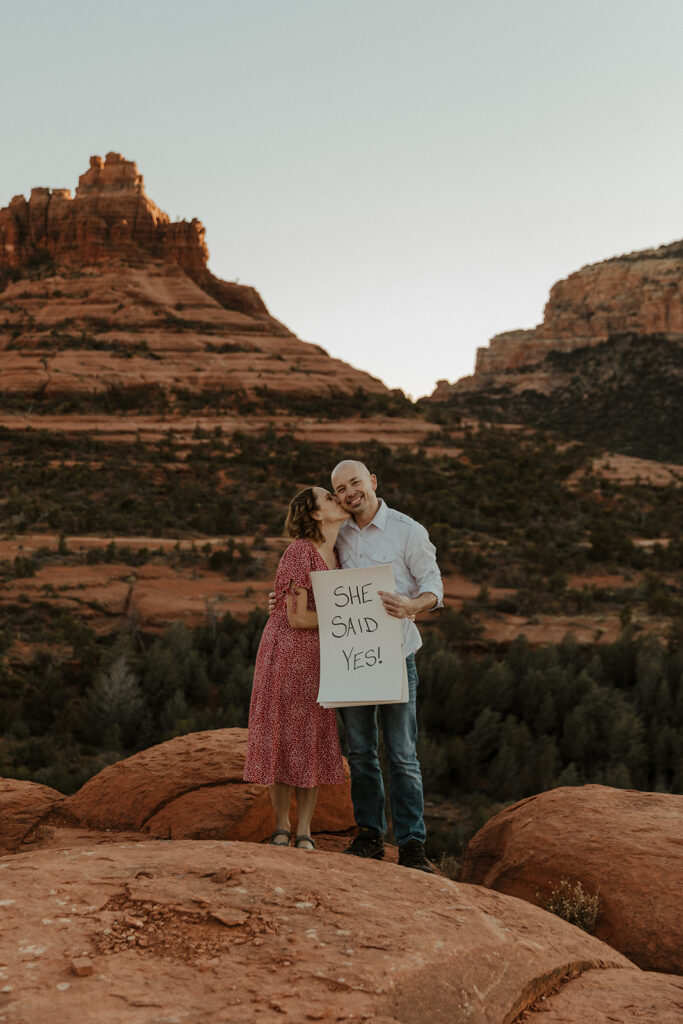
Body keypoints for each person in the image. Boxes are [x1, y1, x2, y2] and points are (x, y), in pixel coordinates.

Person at [330, 459, 443, 873]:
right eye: (340, 489)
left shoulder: (407, 531)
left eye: (355, 483)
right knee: (360, 753)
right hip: (351, 660)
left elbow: (434, 585)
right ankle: (370, 837)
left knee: (402, 755)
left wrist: (413, 604)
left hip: (397, 657)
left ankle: (412, 845)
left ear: (372, 482)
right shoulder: (336, 533)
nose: (349, 493)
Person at [243, 485, 350, 850]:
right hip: (288, 654)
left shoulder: (337, 552)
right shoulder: (299, 552)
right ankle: (281, 827)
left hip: (321, 657)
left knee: (312, 738)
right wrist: (345, 617)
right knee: (286, 736)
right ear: (317, 514)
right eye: (330, 498)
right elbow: (297, 617)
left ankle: (305, 830)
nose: (339, 500)